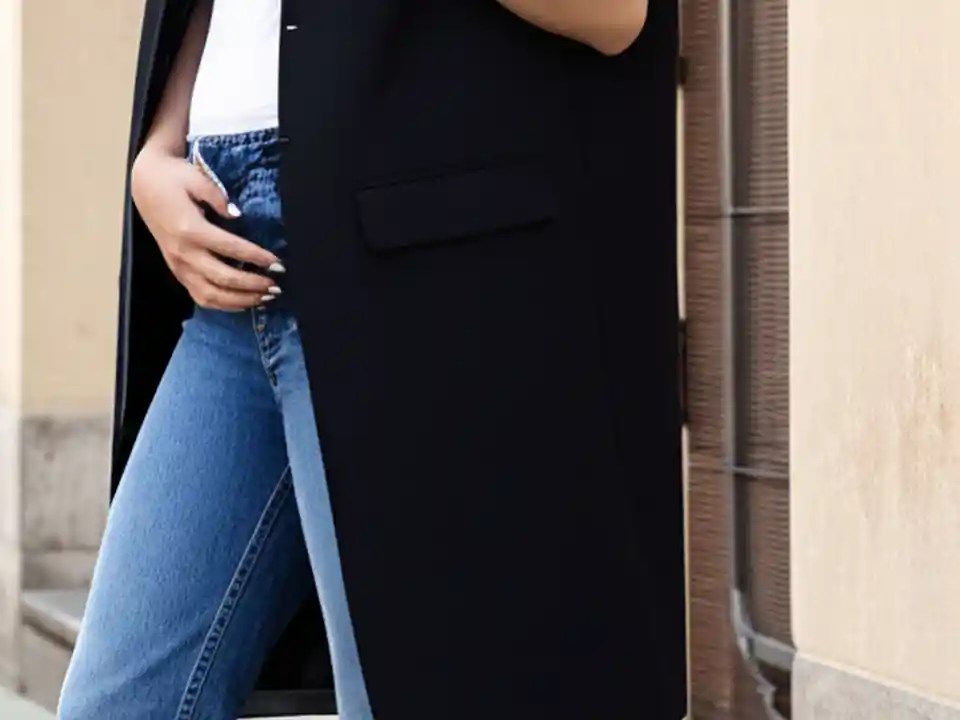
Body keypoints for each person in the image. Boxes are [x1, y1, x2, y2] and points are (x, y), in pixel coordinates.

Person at [58, 0, 685, 718]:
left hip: (413, 259)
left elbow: (615, 14)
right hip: (230, 259)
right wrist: (162, 145)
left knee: (407, 689)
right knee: (121, 704)